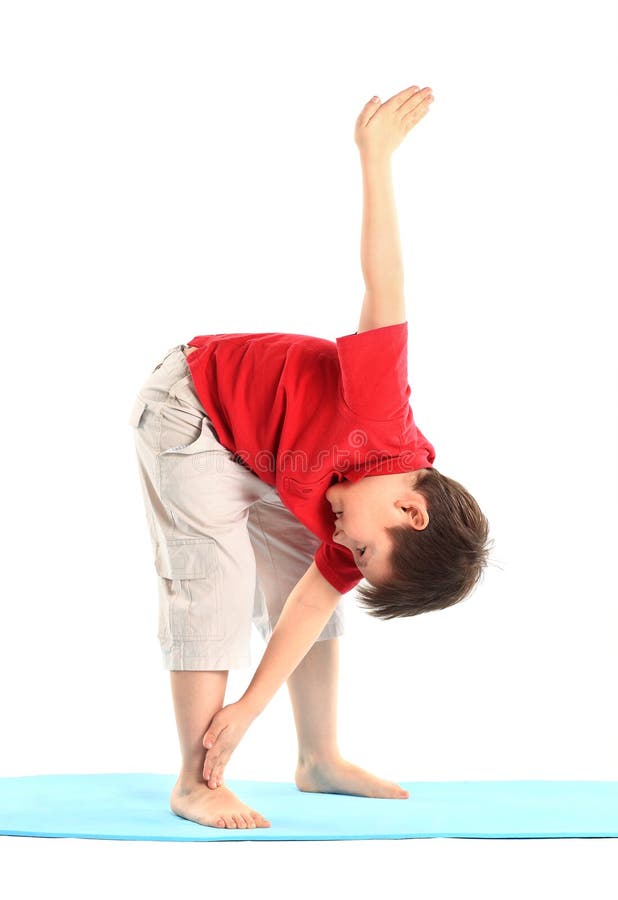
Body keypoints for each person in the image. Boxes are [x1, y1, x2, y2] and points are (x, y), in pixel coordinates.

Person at [128, 83, 492, 830]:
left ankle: (317, 758)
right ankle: (195, 782)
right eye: (361, 545)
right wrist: (376, 156)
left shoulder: (360, 519)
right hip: (193, 409)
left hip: (261, 456)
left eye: (353, 555)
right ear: (409, 507)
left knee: (301, 584)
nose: (344, 547)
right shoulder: (379, 409)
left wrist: (250, 709)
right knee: (214, 586)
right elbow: (383, 281)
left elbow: (308, 605)